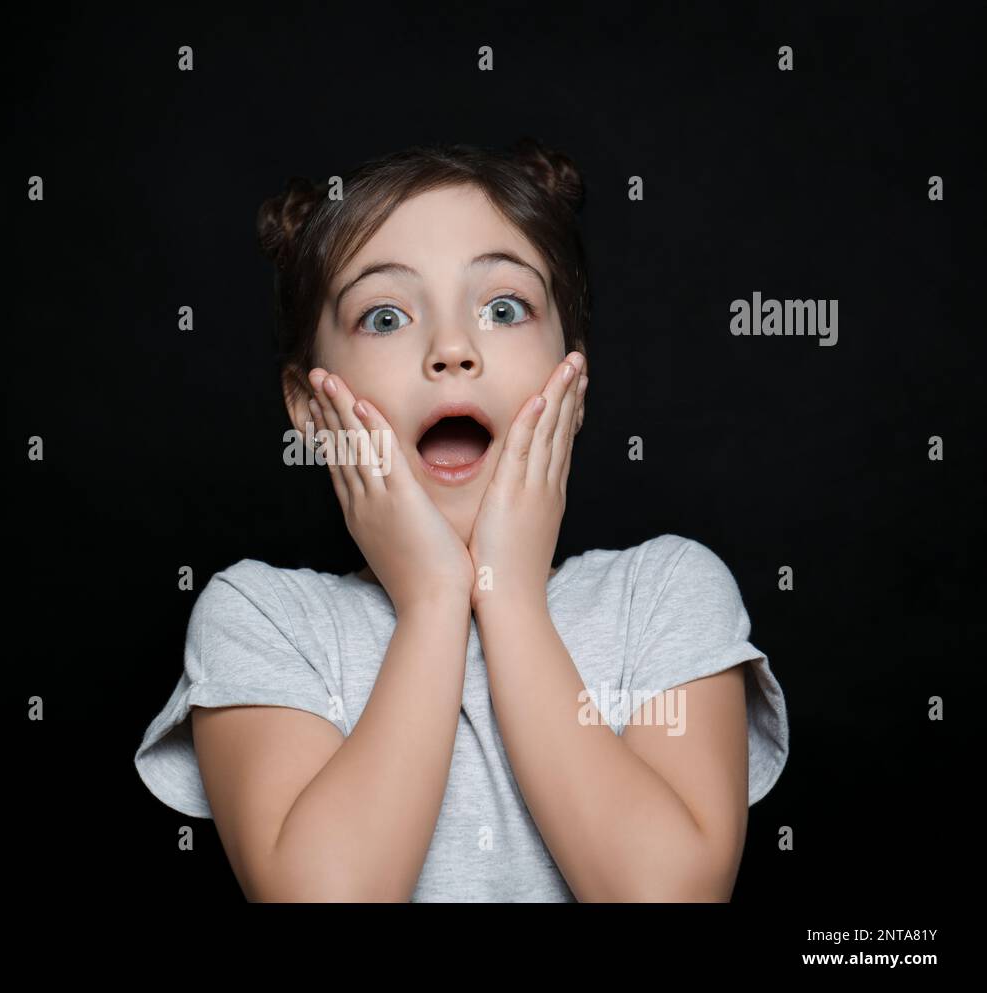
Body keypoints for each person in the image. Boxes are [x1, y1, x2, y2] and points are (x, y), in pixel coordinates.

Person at [133, 138, 789, 902]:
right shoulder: (263, 619)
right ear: (313, 409)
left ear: (571, 377)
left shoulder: (667, 593)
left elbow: (664, 894)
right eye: (385, 316)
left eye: (503, 308)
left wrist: (506, 592)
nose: (451, 350)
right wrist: (435, 599)